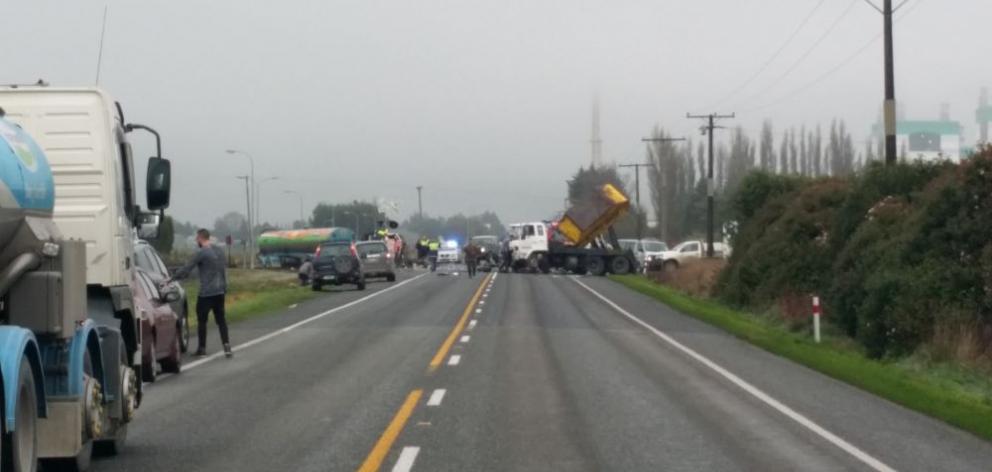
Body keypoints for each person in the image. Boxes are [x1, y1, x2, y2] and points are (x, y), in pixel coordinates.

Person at [169, 229, 232, 358]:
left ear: (200, 238)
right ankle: (227, 346)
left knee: (202, 321)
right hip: (220, 291)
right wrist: (224, 287)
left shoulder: (201, 252)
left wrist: (172, 278)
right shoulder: (219, 251)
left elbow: (187, 268)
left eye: (197, 238)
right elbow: (223, 270)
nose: (196, 241)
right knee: (221, 320)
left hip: (206, 293)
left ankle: (202, 348)